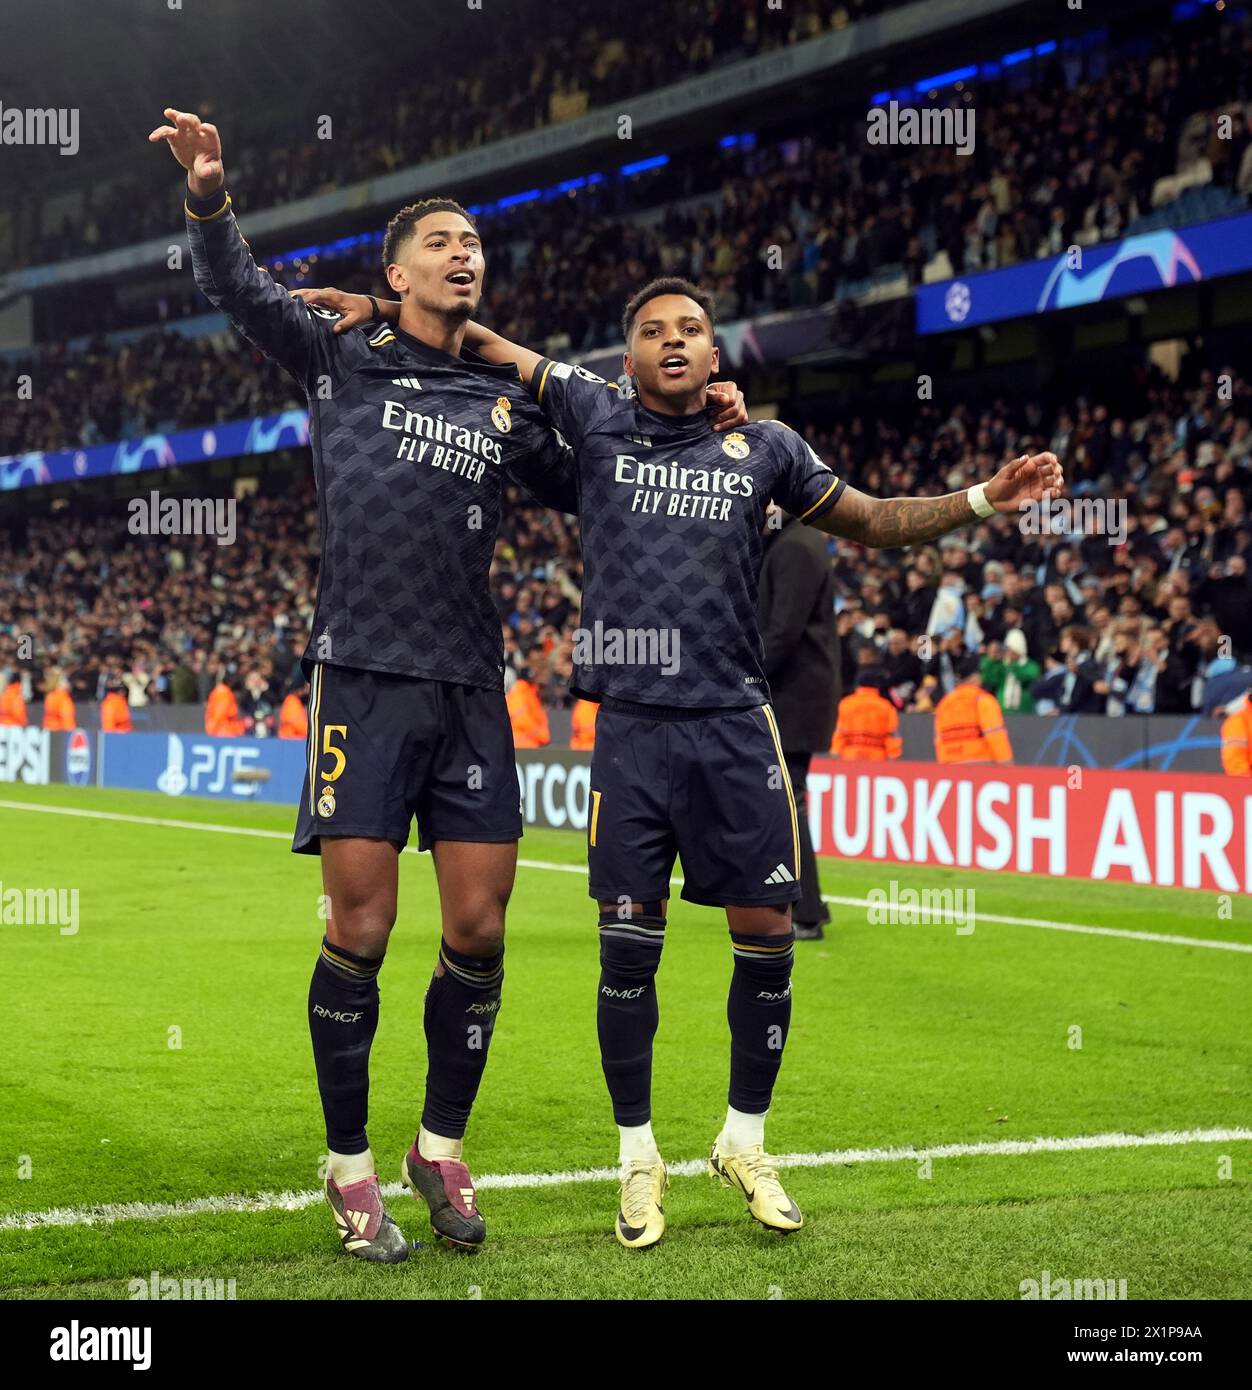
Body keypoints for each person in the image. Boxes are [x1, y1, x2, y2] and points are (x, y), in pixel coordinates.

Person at [300, 273, 1062, 1249]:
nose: (672, 341)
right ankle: (637, 1160)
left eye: (691, 329)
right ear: (627, 358)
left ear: (715, 356)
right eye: (653, 330)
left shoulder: (768, 447)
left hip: (737, 723)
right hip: (631, 728)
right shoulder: (597, 416)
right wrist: (381, 304)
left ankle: (744, 1139)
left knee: (769, 929)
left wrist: (981, 498)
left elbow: (870, 518)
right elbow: (493, 350)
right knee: (629, 950)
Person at [152, 106, 746, 1264]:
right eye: (442, 243)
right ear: (396, 270)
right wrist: (210, 192)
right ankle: (349, 1165)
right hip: (362, 676)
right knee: (360, 927)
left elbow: (605, 475)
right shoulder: (338, 350)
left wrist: (691, 413)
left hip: (470, 682)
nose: (465, 254)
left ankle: (438, 1143)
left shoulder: (502, 400)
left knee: (479, 928)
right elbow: (236, 287)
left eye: (475, 243)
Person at [757, 504, 839, 940]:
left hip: (793, 699)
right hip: (794, 696)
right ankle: (807, 905)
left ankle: (805, 911)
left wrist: (745, 675)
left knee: (788, 803)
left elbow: (782, 631)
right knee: (785, 801)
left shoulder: (796, 546)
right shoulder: (795, 542)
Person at [934, 653, 1013, 764]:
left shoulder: (944, 704)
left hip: (950, 767)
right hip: (980, 766)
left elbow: (939, 740)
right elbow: (995, 736)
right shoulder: (982, 701)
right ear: (974, 677)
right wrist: (1007, 765)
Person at [831, 669, 902, 761]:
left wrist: (835, 750)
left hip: (850, 755)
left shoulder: (846, 704)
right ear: (876, 687)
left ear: (858, 686)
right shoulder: (886, 706)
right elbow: (891, 734)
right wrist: (893, 754)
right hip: (877, 757)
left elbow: (840, 731)